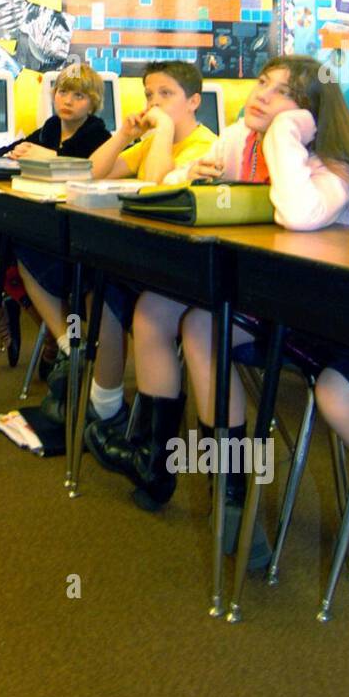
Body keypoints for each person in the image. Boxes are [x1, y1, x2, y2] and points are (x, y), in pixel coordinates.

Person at [86, 56, 349, 560]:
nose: (263, 96)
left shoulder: (333, 165)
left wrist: (284, 134)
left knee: (193, 320)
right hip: (266, 305)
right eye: (263, 83)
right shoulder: (240, 139)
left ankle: (223, 491)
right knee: (198, 324)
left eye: (283, 95)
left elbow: (300, 215)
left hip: (327, 321)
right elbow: (165, 184)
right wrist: (190, 171)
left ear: (309, 117)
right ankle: (234, 496)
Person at [41, 61, 216, 428]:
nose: (154, 103)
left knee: (103, 288)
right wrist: (123, 135)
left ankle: (106, 406)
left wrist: (164, 130)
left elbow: (156, 185)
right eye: (150, 95)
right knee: (93, 282)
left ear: (194, 101)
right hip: (147, 257)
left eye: (166, 94)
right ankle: (105, 401)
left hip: (182, 272)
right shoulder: (152, 141)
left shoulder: (204, 145)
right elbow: (92, 171)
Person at [0, 62, 109, 367]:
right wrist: (13, 154)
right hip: (28, 228)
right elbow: (1, 153)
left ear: (93, 103)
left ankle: (55, 337)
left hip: (64, 240)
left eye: (79, 96)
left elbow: (91, 172)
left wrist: (49, 157)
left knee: (21, 257)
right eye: (63, 92)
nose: (68, 101)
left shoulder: (98, 136)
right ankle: (5, 313)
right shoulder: (50, 128)